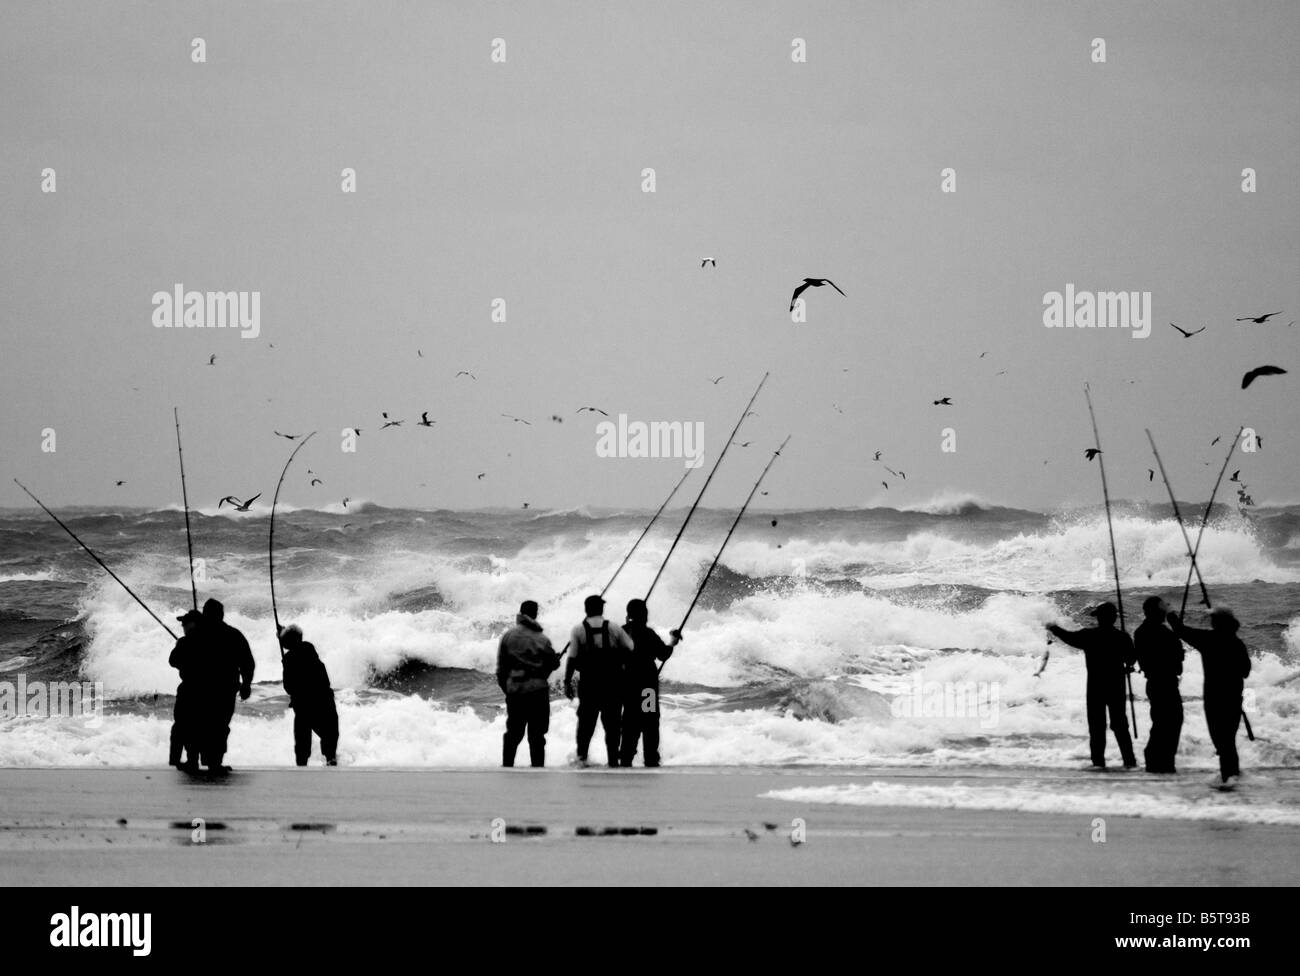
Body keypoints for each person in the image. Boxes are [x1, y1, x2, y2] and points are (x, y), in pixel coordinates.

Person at [1046, 602, 1138, 770]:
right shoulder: (1122, 637)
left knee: (1096, 726)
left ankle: (1098, 762)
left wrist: (1053, 628)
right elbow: (1132, 660)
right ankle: (1129, 761)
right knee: (1120, 725)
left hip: (1096, 686)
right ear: (1115, 618)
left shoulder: (1090, 636)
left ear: (1099, 618)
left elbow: (1069, 637)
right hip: (1116, 686)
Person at [1168, 607, 1252, 788]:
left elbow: (1180, 630)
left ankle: (1228, 779)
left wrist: (1170, 613)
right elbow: (1245, 672)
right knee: (1228, 740)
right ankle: (1232, 777)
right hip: (1233, 697)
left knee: (1221, 741)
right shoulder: (1237, 643)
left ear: (1215, 623)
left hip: (1214, 698)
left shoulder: (1208, 639)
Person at [565, 594, 634, 767]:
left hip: (589, 684)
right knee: (612, 725)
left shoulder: (578, 629)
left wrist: (567, 682)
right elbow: (630, 648)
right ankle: (612, 760)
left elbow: (572, 658)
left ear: (586, 609)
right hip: (612, 684)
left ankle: (582, 758)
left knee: (586, 724)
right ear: (601, 609)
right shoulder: (614, 627)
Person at [496, 600, 561, 767]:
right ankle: (537, 767)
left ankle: (507, 765)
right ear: (535, 614)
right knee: (537, 735)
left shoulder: (508, 636)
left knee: (514, 733)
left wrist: (507, 689)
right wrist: (556, 659)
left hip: (515, 690)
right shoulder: (542, 639)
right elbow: (552, 663)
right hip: (537, 691)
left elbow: (501, 669)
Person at [619, 599, 680, 768]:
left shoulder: (620, 633)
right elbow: (663, 654)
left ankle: (626, 757)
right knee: (649, 721)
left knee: (630, 721)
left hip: (628, 686)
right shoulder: (647, 633)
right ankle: (651, 758)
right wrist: (673, 642)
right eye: (645, 611)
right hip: (647, 687)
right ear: (642, 614)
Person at [200, 598, 254, 772]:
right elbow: (247, 663)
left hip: (203, 688)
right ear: (221, 615)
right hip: (225, 688)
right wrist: (246, 684)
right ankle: (214, 760)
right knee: (220, 724)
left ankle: (207, 758)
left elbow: (180, 661)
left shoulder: (197, 635)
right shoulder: (233, 634)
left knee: (205, 723)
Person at [1133, 596, 1184, 773]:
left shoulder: (1140, 632)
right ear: (1156, 612)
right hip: (1165, 682)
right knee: (1172, 721)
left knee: (1161, 722)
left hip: (1154, 682)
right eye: (1162, 610)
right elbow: (1179, 655)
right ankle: (1162, 761)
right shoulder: (1164, 633)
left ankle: (1158, 761)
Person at [279, 624, 339, 767]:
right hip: (323, 699)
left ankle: (302, 764)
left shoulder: (289, 659)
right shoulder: (309, 650)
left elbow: (288, 687)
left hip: (302, 703)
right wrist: (283, 636)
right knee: (329, 731)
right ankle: (330, 759)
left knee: (302, 737)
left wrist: (282, 639)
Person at [168, 609, 205, 772]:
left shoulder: (184, 642)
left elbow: (173, 661)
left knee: (181, 725)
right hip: (206, 690)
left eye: (185, 623)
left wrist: (182, 645)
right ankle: (193, 759)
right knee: (198, 726)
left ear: (193, 624)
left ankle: (176, 759)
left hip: (188, 689)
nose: (182, 626)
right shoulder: (210, 641)